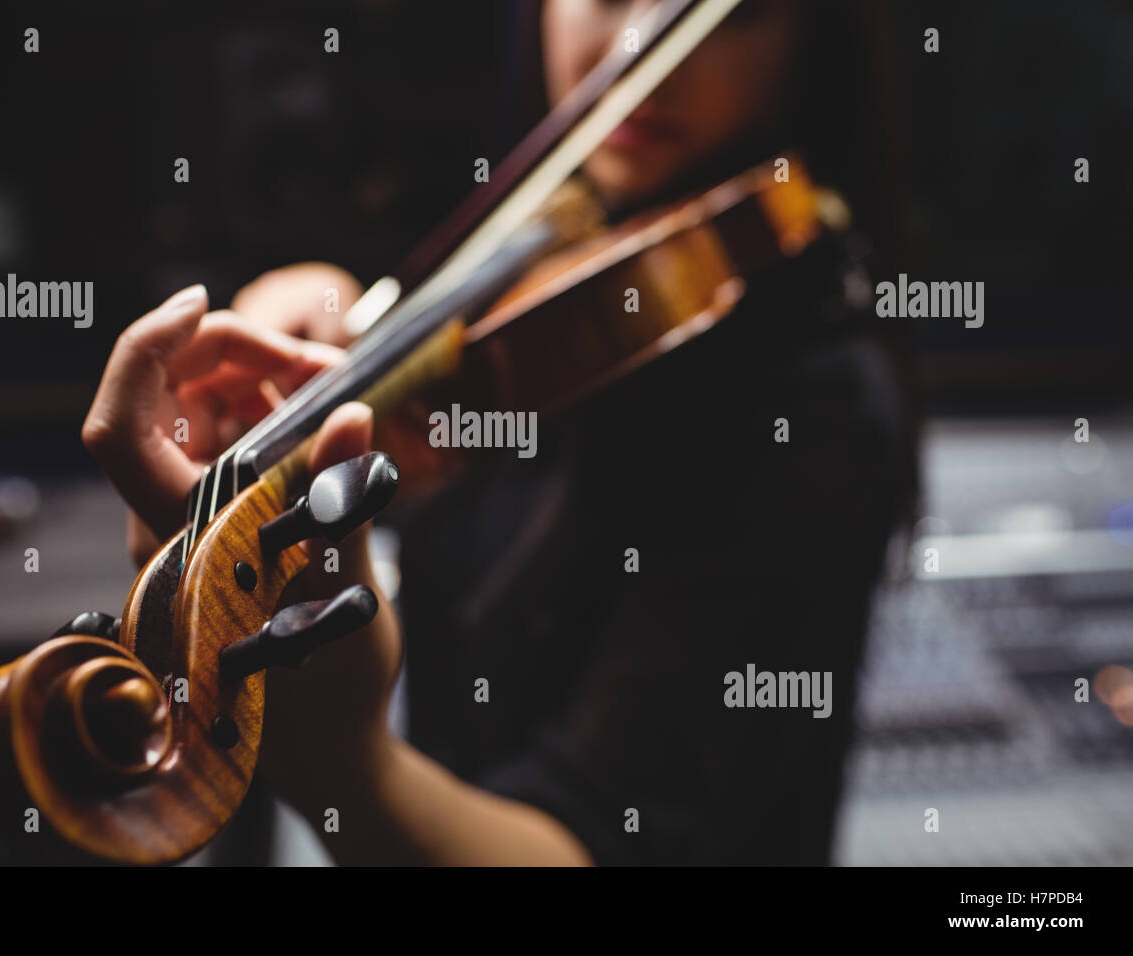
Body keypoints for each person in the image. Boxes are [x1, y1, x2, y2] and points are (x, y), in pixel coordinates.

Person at [81, 0, 916, 864]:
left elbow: (597, 838)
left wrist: (345, 767)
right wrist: (337, 323)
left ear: (812, 43)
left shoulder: (816, 407)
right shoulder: (549, 243)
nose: (636, 47)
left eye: (728, 14)